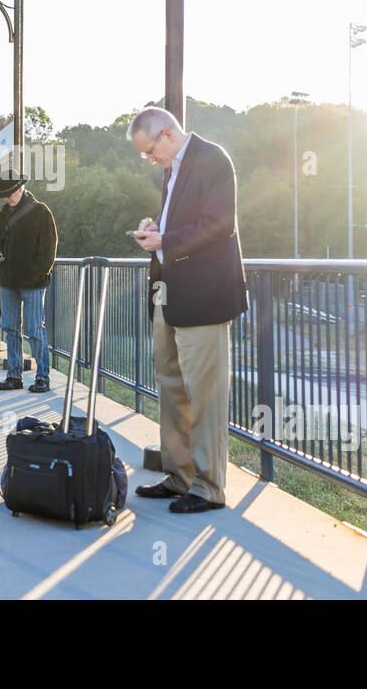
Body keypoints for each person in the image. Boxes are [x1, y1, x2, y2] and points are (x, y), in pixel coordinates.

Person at [126, 106, 249, 515]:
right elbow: (179, 224)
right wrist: (155, 226)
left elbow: (219, 224)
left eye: (149, 152)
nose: (150, 160)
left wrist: (165, 240)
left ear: (165, 134)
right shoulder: (172, 168)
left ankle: (210, 486)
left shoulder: (213, 159)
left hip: (204, 295)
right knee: (172, 385)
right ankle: (180, 476)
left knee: (205, 394)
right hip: (169, 293)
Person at [0, 171, 57, 393]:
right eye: (5, 195)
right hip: (9, 280)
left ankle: (42, 377)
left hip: (33, 283)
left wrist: (36, 273)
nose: (7, 199)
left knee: (35, 329)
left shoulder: (41, 211)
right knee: (10, 327)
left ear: (20, 189)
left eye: (9, 194)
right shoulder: (4, 214)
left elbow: (49, 248)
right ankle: (14, 375)